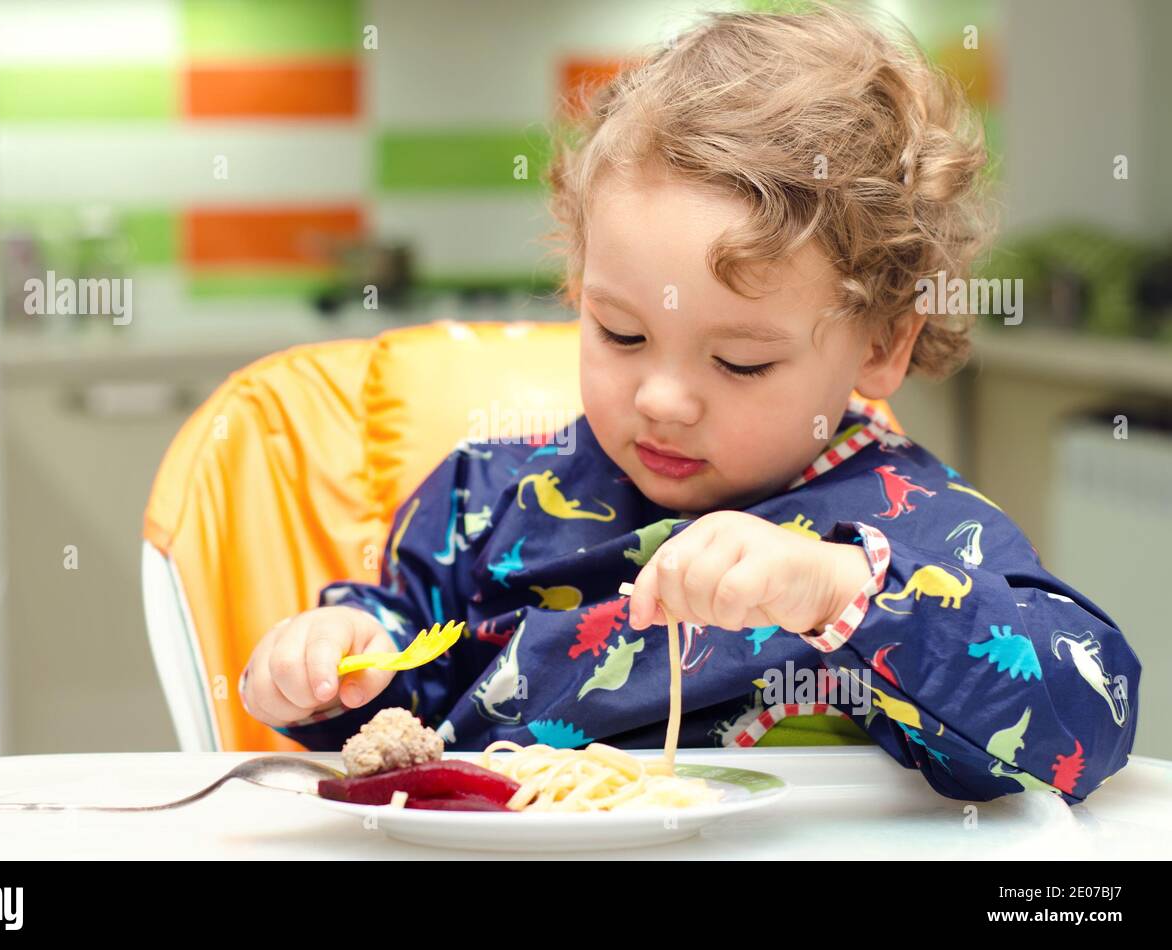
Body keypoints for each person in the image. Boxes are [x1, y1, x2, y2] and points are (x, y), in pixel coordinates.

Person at [238, 4, 1139, 802]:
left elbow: (1088, 724)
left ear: (883, 342)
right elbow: (403, 704)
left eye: (741, 361)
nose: (663, 400)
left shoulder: (915, 536)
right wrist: (334, 661)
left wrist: (838, 592)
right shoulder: (488, 498)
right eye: (622, 335)